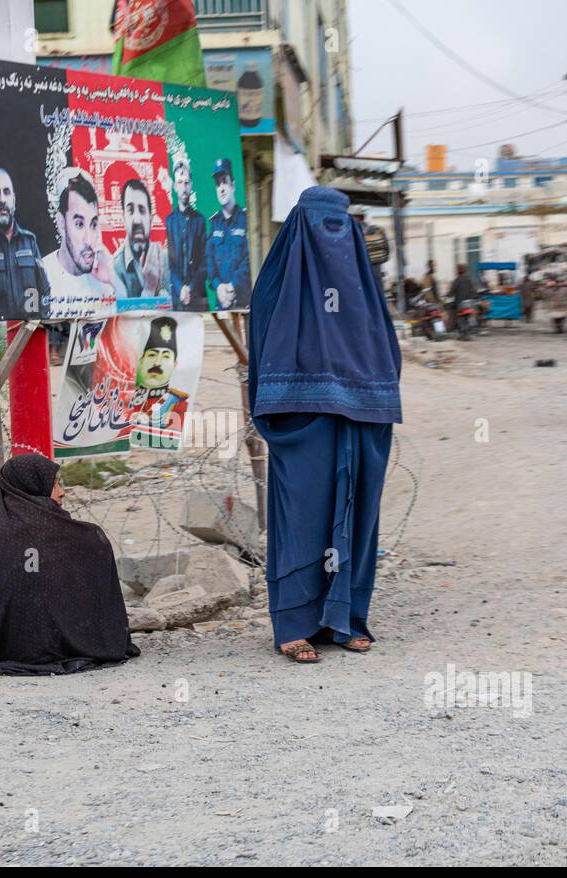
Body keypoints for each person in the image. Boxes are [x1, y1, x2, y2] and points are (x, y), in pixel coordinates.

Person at [248, 187, 402, 664]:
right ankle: (294, 624)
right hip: (302, 422)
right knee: (303, 519)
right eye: (321, 224)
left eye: (340, 224)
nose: (332, 235)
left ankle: (347, 620)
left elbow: (384, 351)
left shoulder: (363, 284)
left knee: (355, 519)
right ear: (301, 227)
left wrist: (371, 402)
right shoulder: (279, 283)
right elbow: (262, 346)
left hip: (358, 422)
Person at [0, 454, 139, 675]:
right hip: (53, 644)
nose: (61, 492)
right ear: (33, 484)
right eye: (54, 484)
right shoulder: (55, 528)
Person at [0, 167, 49, 329]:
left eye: (7, 192)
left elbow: (45, 290)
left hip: (30, 331)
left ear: (14, 200)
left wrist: (41, 323)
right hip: (0, 334)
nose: (2, 199)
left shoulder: (29, 242)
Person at [41, 169, 116, 319]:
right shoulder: (39, 277)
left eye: (93, 224)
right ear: (62, 224)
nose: (89, 240)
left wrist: (114, 281)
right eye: (79, 224)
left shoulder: (105, 283)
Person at [111, 178, 170, 300]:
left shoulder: (165, 259)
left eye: (142, 210)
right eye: (130, 210)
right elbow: (121, 318)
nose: (137, 220)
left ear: (151, 219)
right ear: (123, 218)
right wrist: (150, 287)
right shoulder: (114, 269)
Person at [205, 158, 252, 310]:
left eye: (224, 182)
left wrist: (233, 286)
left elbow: (249, 259)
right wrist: (218, 287)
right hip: (221, 304)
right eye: (218, 184)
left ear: (233, 185)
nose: (221, 188)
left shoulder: (246, 219)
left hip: (244, 303)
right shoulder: (214, 223)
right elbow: (209, 261)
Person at [165, 157, 207, 311]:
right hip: (177, 300)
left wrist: (190, 287)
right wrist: (180, 288)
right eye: (180, 183)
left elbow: (204, 261)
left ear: (191, 186)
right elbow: (168, 263)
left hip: (197, 297)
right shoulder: (169, 222)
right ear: (175, 186)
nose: (184, 187)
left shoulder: (200, 221)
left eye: (187, 182)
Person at [448, 262, 478, 341]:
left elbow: (451, 292)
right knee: (470, 315)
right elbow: (475, 291)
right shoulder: (471, 279)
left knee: (458, 316)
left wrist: (447, 296)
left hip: (461, 304)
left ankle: (461, 332)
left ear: (459, 270)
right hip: (471, 303)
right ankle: (468, 332)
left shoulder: (457, 280)